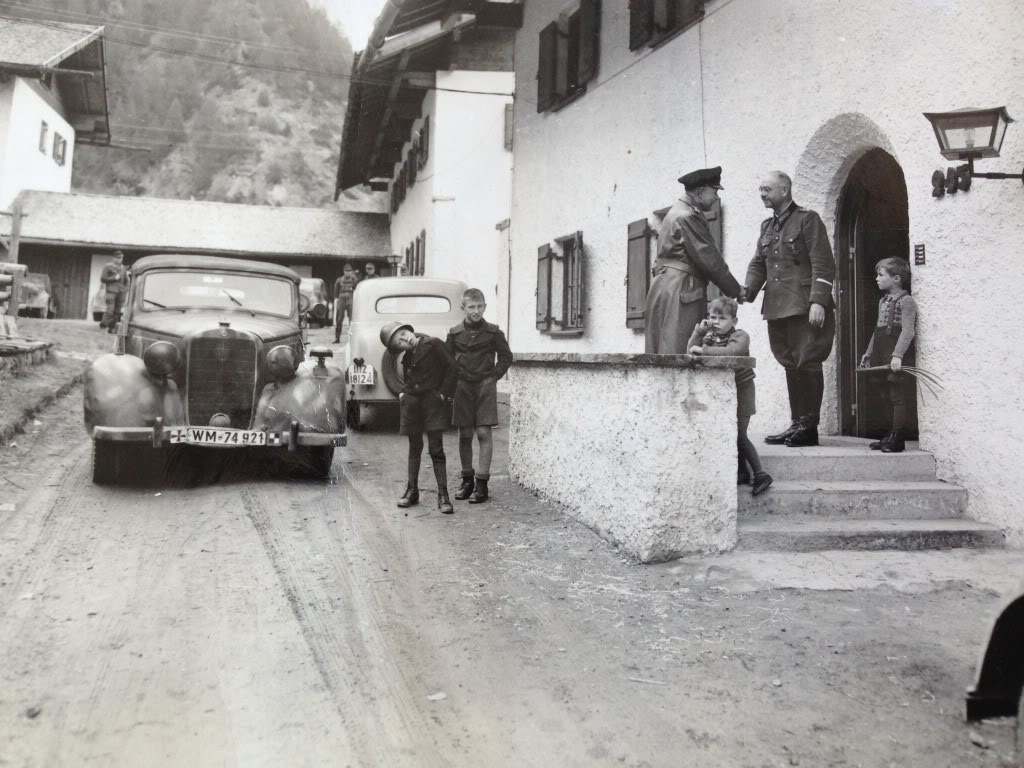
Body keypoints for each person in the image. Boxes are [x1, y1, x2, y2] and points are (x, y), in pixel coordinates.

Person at [744, 171, 836, 448]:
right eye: (760, 189)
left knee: (807, 362)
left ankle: (809, 427)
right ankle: (797, 423)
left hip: (805, 305)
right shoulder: (767, 227)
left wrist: (819, 300)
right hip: (777, 305)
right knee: (789, 364)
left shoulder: (808, 220)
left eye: (767, 189)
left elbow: (823, 262)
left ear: (784, 190)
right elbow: (758, 263)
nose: (762, 194)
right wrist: (746, 290)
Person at [645, 166, 745, 354]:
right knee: (682, 351)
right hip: (682, 288)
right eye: (714, 191)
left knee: (662, 351)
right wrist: (736, 290)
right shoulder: (688, 216)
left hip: (665, 286)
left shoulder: (675, 212)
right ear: (700, 192)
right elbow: (710, 259)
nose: (716, 197)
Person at [687, 297, 773, 495]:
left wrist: (705, 350)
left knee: (740, 434)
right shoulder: (709, 337)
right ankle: (742, 472)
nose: (715, 322)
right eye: (712, 317)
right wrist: (698, 333)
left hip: (743, 391)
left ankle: (761, 474)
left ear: (734, 321)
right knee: (730, 433)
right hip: (724, 394)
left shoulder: (740, 336)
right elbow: (690, 351)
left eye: (721, 318)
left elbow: (732, 352)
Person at [380, 320, 457, 513]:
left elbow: (452, 368)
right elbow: (408, 379)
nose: (405, 339)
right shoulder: (407, 358)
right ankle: (412, 490)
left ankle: (443, 495)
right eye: (399, 342)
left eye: (404, 333)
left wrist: (443, 393)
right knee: (414, 447)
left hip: (433, 404)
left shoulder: (434, 344)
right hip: (413, 406)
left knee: (436, 448)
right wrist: (403, 393)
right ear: (398, 349)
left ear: (410, 331)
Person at [445, 288, 513, 504]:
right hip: (463, 387)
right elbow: (446, 361)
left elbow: (506, 356)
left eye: (480, 306)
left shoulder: (493, 332)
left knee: (484, 432)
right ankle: (467, 481)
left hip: (485, 386)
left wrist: (494, 376)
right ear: (463, 308)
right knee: (465, 434)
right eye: (471, 307)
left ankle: (482, 483)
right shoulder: (454, 334)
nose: (476, 311)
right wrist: (450, 385)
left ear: (485, 307)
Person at [859, 257, 917, 454]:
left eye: (881, 275)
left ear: (897, 279)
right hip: (880, 351)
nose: (876, 279)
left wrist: (898, 355)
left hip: (894, 353)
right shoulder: (883, 301)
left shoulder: (906, 301)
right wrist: (868, 354)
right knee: (884, 394)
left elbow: (908, 331)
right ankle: (889, 435)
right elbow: (878, 330)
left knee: (897, 395)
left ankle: (898, 438)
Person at [99, 250, 129, 333]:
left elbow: (126, 280)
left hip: (121, 292)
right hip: (111, 291)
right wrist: (114, 278)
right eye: (118, 258)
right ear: (114, 258)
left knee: (117, 311)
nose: (120, 260)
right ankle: (103, 325)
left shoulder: (123, 268)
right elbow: (102, 279)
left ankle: (112, 328)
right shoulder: (108, 266)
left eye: (121, 258)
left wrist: (125, 289)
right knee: (110, 310)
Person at [333, 262, 359, 343]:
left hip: (351, 298)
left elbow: (357, 289)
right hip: (341, 299)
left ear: (351, 271)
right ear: (343, 271)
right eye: (346, 271)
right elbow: (336, 292)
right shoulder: (339, 280)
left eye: (349, 271)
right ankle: (337, 338)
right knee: (339, 319)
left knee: (352, 319)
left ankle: (352, 338)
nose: (348, 272)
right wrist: (337, 300)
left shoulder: (354, 279)